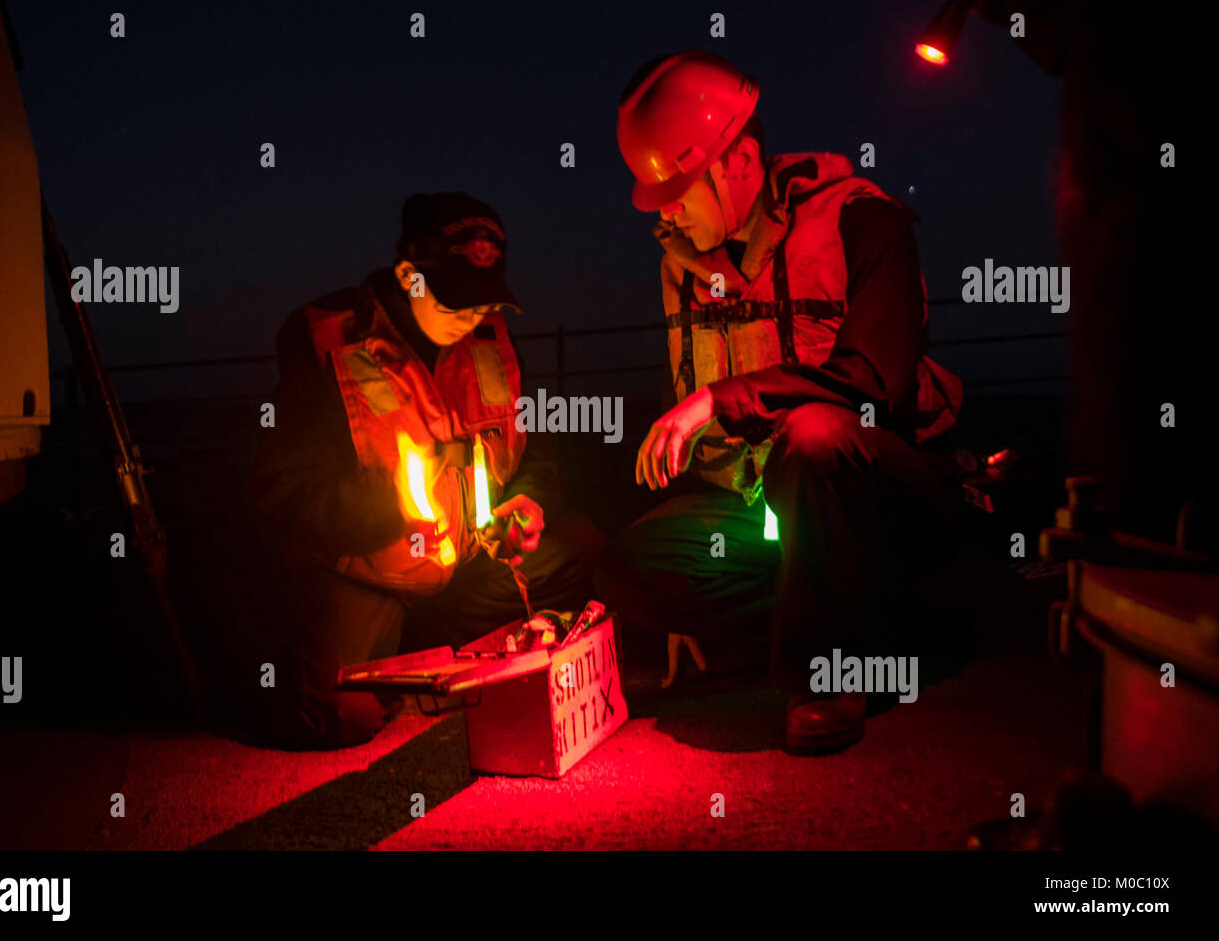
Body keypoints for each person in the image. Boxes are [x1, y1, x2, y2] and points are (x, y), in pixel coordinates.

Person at [598, 50, 963, 753]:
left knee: (818, 435)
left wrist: (721, 399)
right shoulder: (682, 269)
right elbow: (706, 458)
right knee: (630, 564)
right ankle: (859, 622)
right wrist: (687, 605)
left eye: (679, 186)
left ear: (739, 162)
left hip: (882, 503)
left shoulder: (864, 219)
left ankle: (828, 674)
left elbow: (875, 384)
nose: (667, 209)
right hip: (775, 520)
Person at [251, 192, 602, 749]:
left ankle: (439, 642)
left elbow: (539, 451)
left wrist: (530, 498)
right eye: (455, 300)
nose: (469, 318)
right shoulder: (329, 343)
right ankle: (408, 653)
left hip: (472, 562)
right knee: (338, 719)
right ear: (409, 276)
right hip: (374, 573)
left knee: (583, 547)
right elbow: (280, 496)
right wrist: (380, 512)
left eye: (481, 302)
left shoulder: (491, 336)